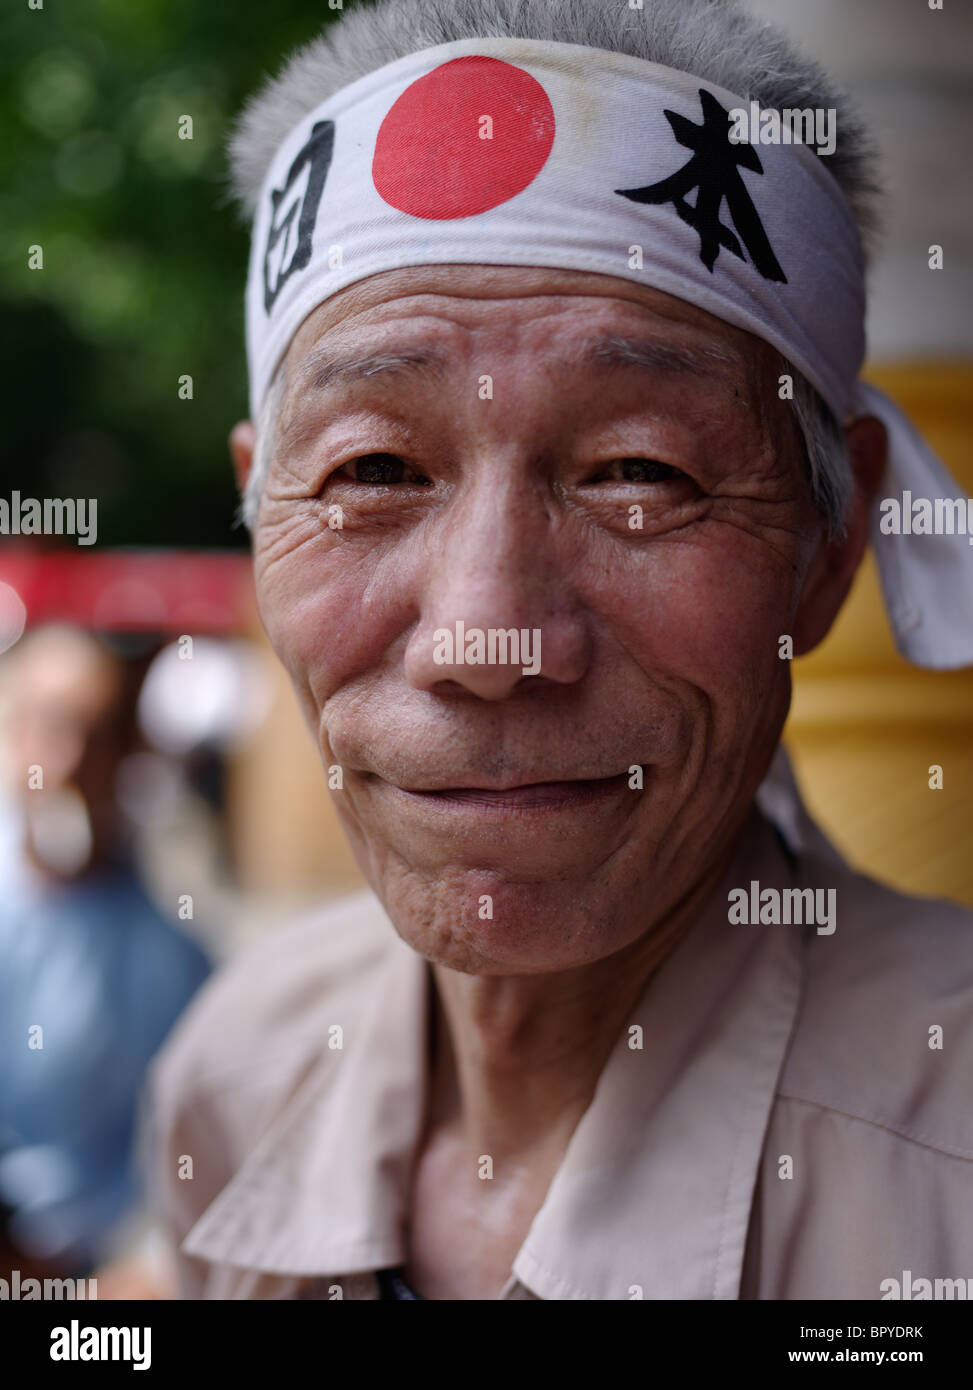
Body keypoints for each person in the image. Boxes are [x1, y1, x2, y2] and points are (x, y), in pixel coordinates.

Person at [145, 0, 973, 1300]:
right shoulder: (236, 1071)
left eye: (639, 474)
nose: (486, 634)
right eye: (373, 469)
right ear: (261, 508)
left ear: (828, 545)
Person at [0, 626, 211, 1278]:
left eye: (90, 737)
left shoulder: (173, 960)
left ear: (126, 753)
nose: (61, 764)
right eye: (41, 727)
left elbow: (187, 1158)